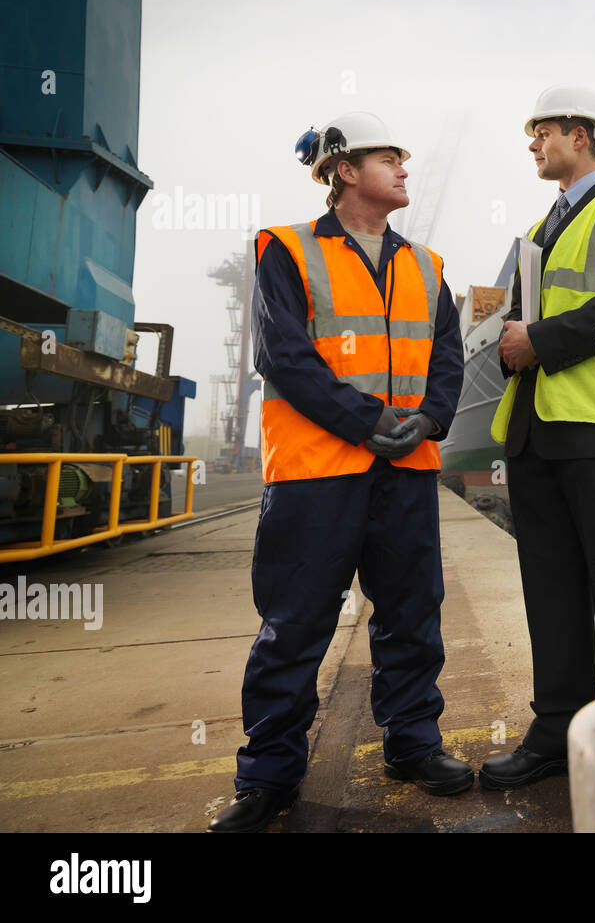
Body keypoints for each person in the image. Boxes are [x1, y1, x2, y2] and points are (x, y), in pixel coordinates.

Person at [208, 111, 469, 833]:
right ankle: (267, 775)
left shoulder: (427, 265)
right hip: (317, 473)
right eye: (391, 158)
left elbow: (445, 357)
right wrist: (368, 420)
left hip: (408, 468)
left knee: (413, 614)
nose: (405, 170)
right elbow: (283, 358)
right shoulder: (284, 251)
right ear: (346, 171)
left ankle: (414, 743)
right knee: (294, 624)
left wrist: (432, 418)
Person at [480, 85, 595, 789]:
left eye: (543, 132)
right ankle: (558, 727)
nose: (533, 143)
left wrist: (541, 339)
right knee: (549, 586)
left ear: (580, 136)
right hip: (533, 429)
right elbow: (520, 323)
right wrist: (508, 341)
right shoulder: (537, 227)